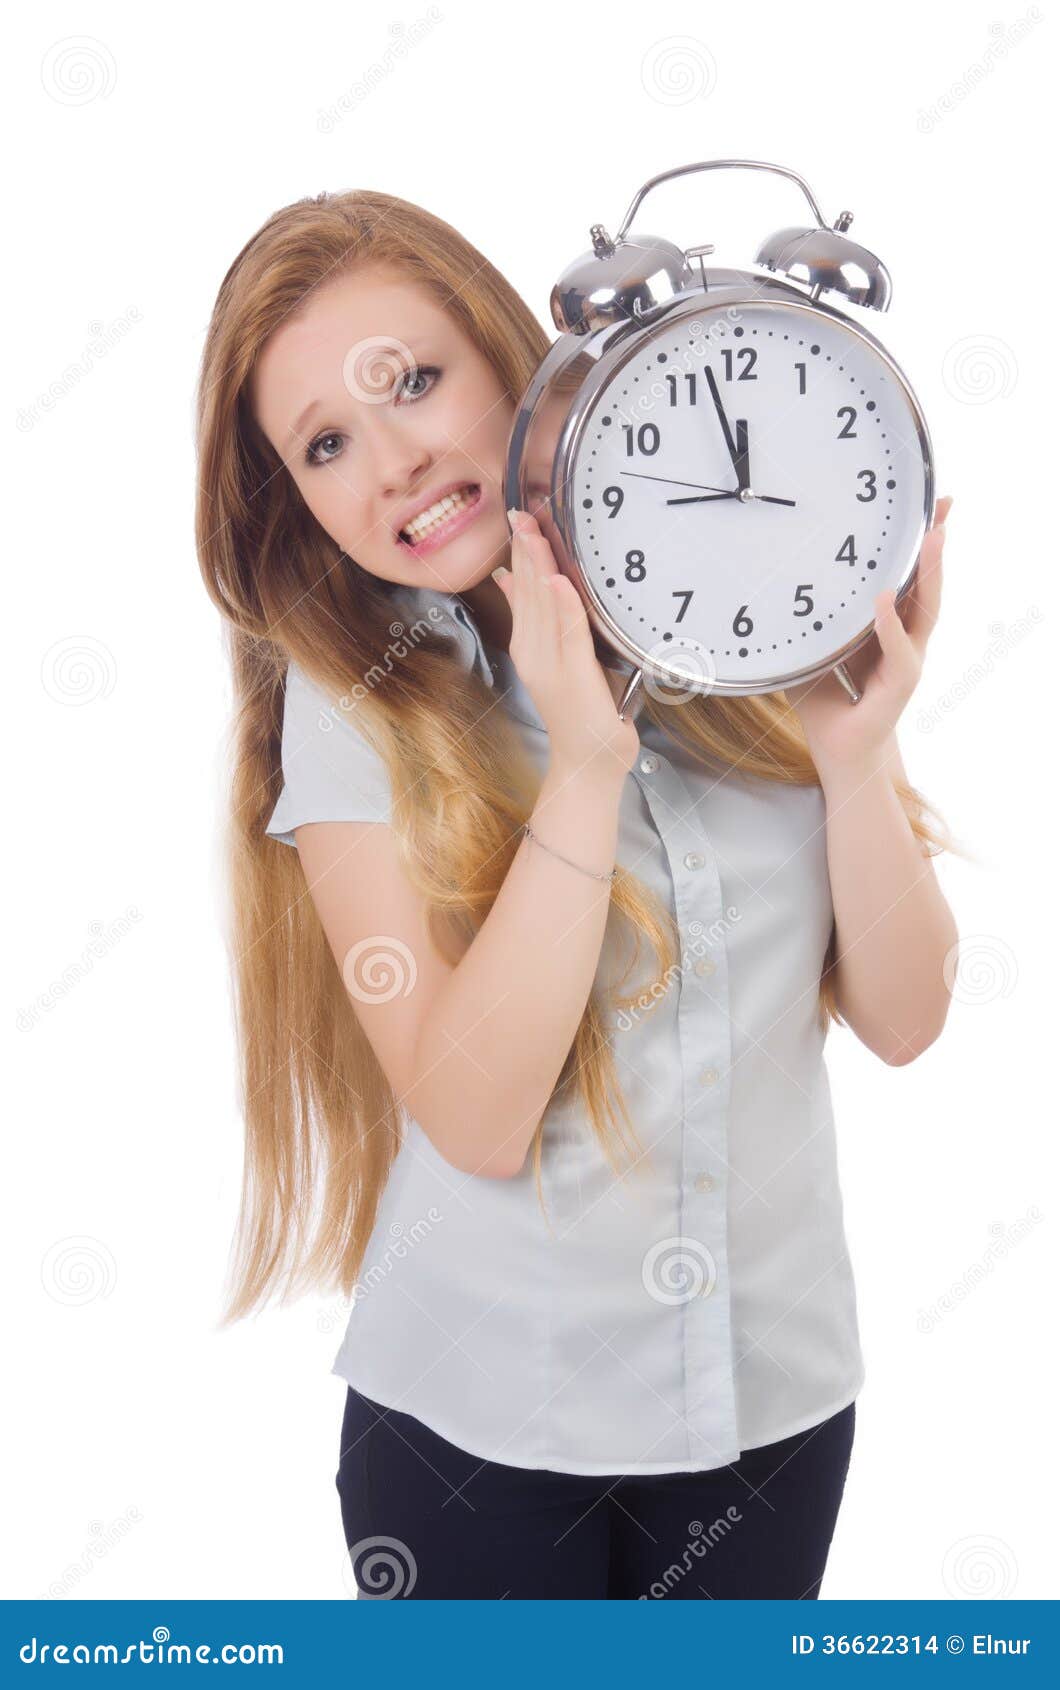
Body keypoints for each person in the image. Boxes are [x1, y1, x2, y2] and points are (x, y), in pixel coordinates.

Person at [194, 187, 959, 1599]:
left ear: (507, 358)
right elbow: (476, 1114)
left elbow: (906, 1019)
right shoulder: (355, 706)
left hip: (771, 1410)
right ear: (296, 499)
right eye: (325, 444)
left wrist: (857, 760)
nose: (396, 462)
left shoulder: (739, 596)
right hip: (484, 1441)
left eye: (414, 379)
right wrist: (587, 764)